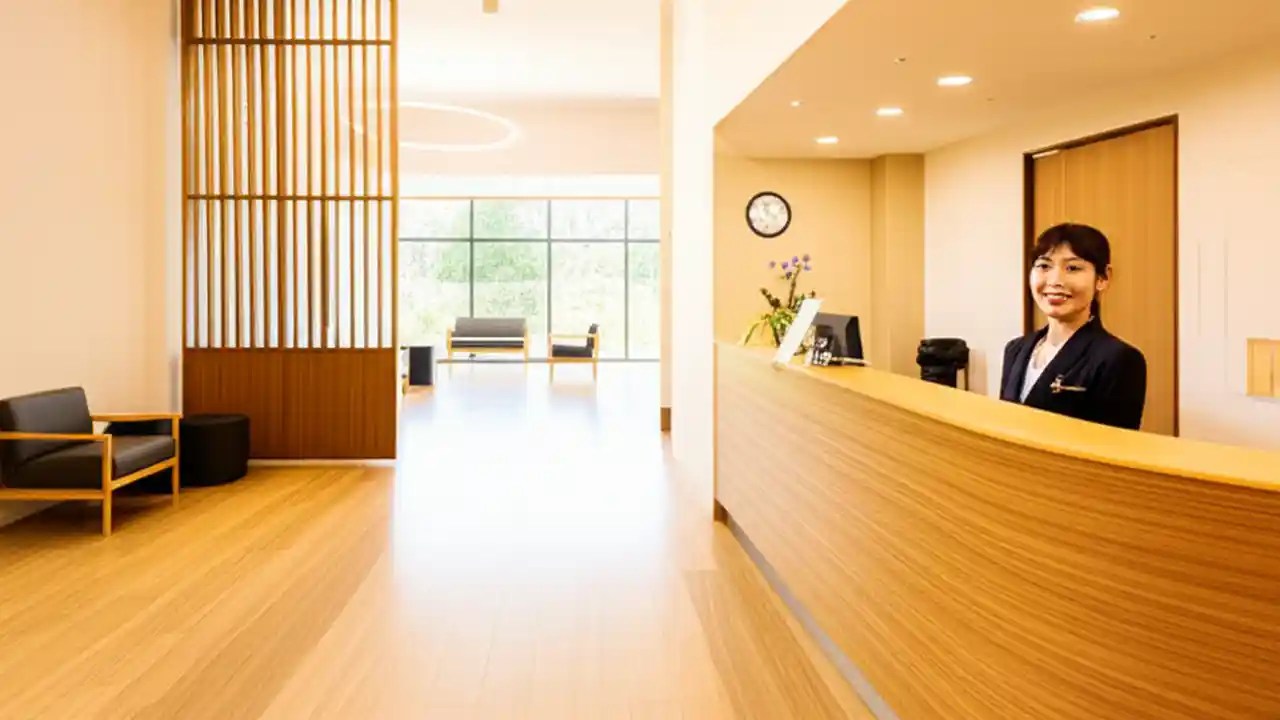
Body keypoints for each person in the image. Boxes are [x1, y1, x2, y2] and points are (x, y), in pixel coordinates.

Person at [999, 223, 1147, 430]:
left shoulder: (1119, 359)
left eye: (1073, 268)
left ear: (1103, 279)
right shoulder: (1015, 350)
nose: (1055, 280)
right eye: (1044, 266)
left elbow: (1112, 451)